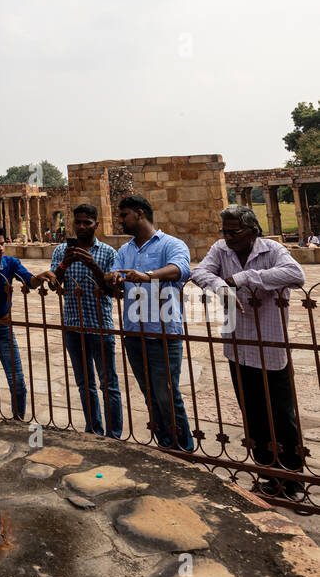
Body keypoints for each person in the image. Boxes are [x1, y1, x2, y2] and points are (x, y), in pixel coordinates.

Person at [192, 205, 306, 499]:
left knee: (281, 413)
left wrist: (242, 279)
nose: (228, 237)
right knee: (252, 413)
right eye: (224, 231)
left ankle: (291, 479)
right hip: (238, 345)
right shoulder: (221, 249)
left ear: (253, 231)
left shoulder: (272, 250)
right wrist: (221, 286)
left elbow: (296, 274)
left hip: (270, 345)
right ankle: (267, 472)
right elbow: (200, 271)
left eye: (234, 232)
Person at [104, 195, 194, 452]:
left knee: (167, 395)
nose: (120, 221)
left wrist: (148, 276)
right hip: (134, 332)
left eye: (124, 215)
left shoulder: (171, 244)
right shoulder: (125, 250)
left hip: (163, 331)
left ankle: (183, 448)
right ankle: (166, 445)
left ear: (140, 214)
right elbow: (117, 273)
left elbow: (180, 269)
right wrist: (112, 278)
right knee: (150, 395)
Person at [43, 203, 122, 438]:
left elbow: (112, 291)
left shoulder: (108, 253)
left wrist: (92, 265)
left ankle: (114, 434)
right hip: (73, 325)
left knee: (109, 385)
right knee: (84, 383)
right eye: (77, 222)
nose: (81, 226)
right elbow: (53, 284)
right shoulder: (60, 251)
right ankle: (93, 429)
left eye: (87, 222)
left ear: (96, 224)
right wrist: (64, 263)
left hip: (100, 325)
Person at [0, 223, 44, 420]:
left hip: (2, 326)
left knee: (16, 378)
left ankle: (18, 419)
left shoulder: (10, 264)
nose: (0, 249)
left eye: (2, 244)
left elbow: (29, 281)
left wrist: (39, 278)